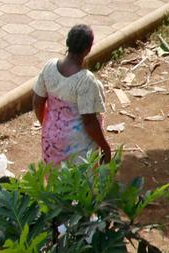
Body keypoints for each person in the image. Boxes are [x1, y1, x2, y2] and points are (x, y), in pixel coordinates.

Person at [33, 24, 112, 165]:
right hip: (77, 146)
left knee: (53, 176)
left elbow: (37, 102)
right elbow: (89, 122)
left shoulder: (49, 67)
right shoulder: (85, 81)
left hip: (51, 139)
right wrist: (105, 147)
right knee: (77, 178)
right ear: (88, 49)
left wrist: (48, 126)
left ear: (67, 42)